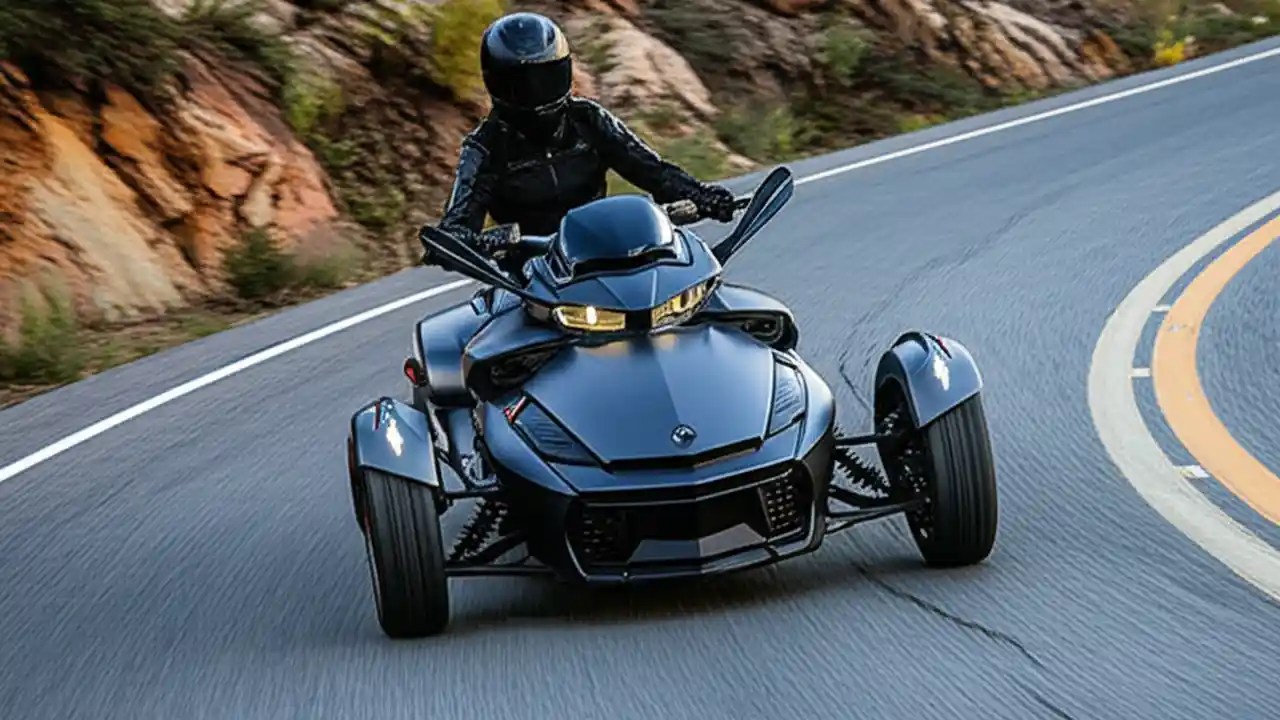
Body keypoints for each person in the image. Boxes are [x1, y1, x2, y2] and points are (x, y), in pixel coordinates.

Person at [424, 11, 738, 261]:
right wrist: (476, 242)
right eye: (521, 82)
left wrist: (700, 194)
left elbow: (650, 170)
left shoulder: (588, 118)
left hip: (605, 252)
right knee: (486, 335)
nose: (536, 90)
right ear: (496, 83)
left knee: (686, 291)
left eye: (545, 76)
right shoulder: (486, 146)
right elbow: (456, 228)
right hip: (532, 272)